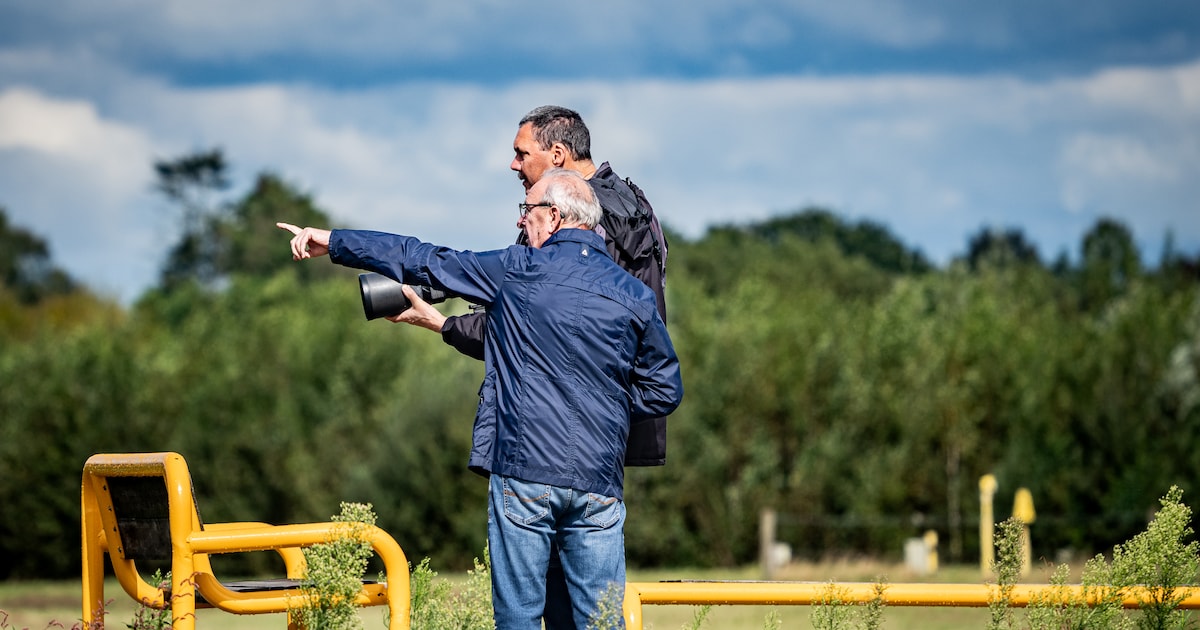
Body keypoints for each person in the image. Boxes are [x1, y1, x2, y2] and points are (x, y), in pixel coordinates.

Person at [277, 168, 684, 630]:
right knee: (603, 622)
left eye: (526, 210)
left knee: (519, 620)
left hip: (524, 473)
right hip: (599, 484)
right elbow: (665, 388)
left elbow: (421, 257)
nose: (520, 222)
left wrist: (331, 240)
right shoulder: (633, 294)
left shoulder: (514, 270)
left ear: (552, 216)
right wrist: (605, 413)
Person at [395, 105, 670, 468]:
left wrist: (443, 324)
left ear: (558, 155)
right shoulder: (635, 205)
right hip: (609, 430)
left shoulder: (578, 219)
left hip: (555, 433)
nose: (513, 165)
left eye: (522, 153)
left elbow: (538, 325)